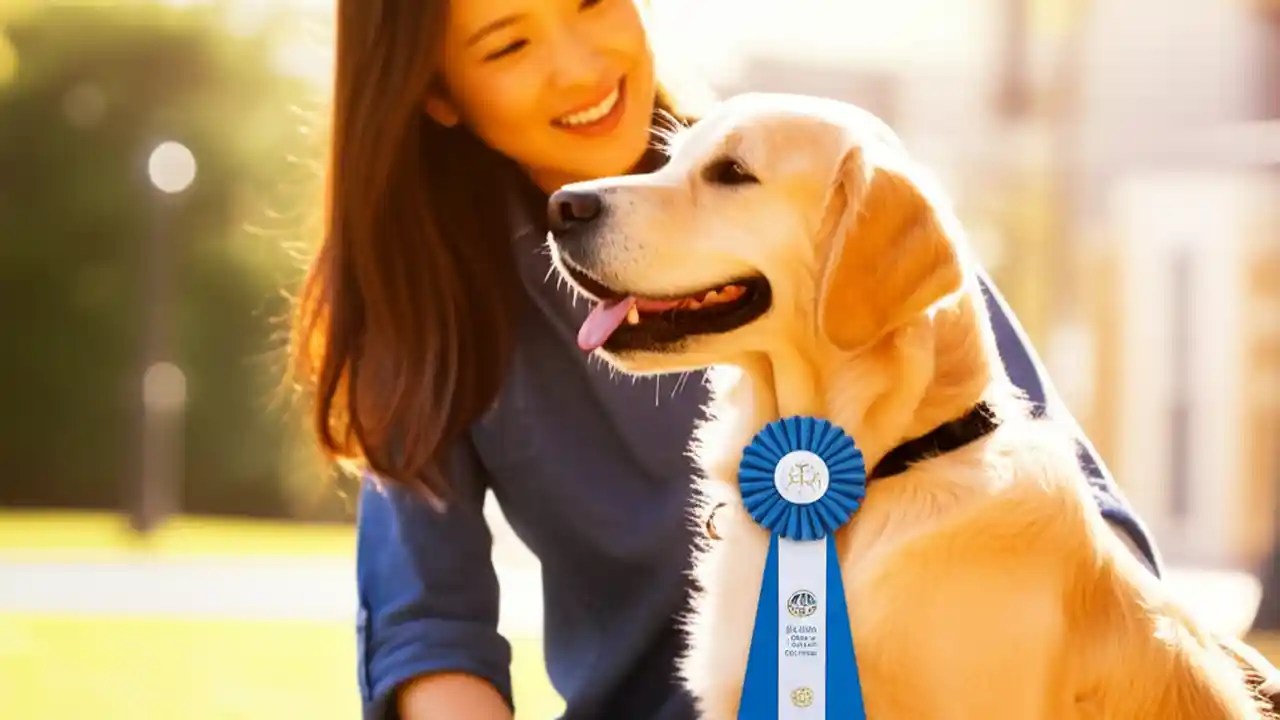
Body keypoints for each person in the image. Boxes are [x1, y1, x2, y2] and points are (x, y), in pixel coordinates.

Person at [289, 1, 1179, 718]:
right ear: (436, 91)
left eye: (593, 1)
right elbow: (429, 629)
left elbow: (1082, 536)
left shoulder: (827, 188)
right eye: (510, 42)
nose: (581, 65)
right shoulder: (424, 308)